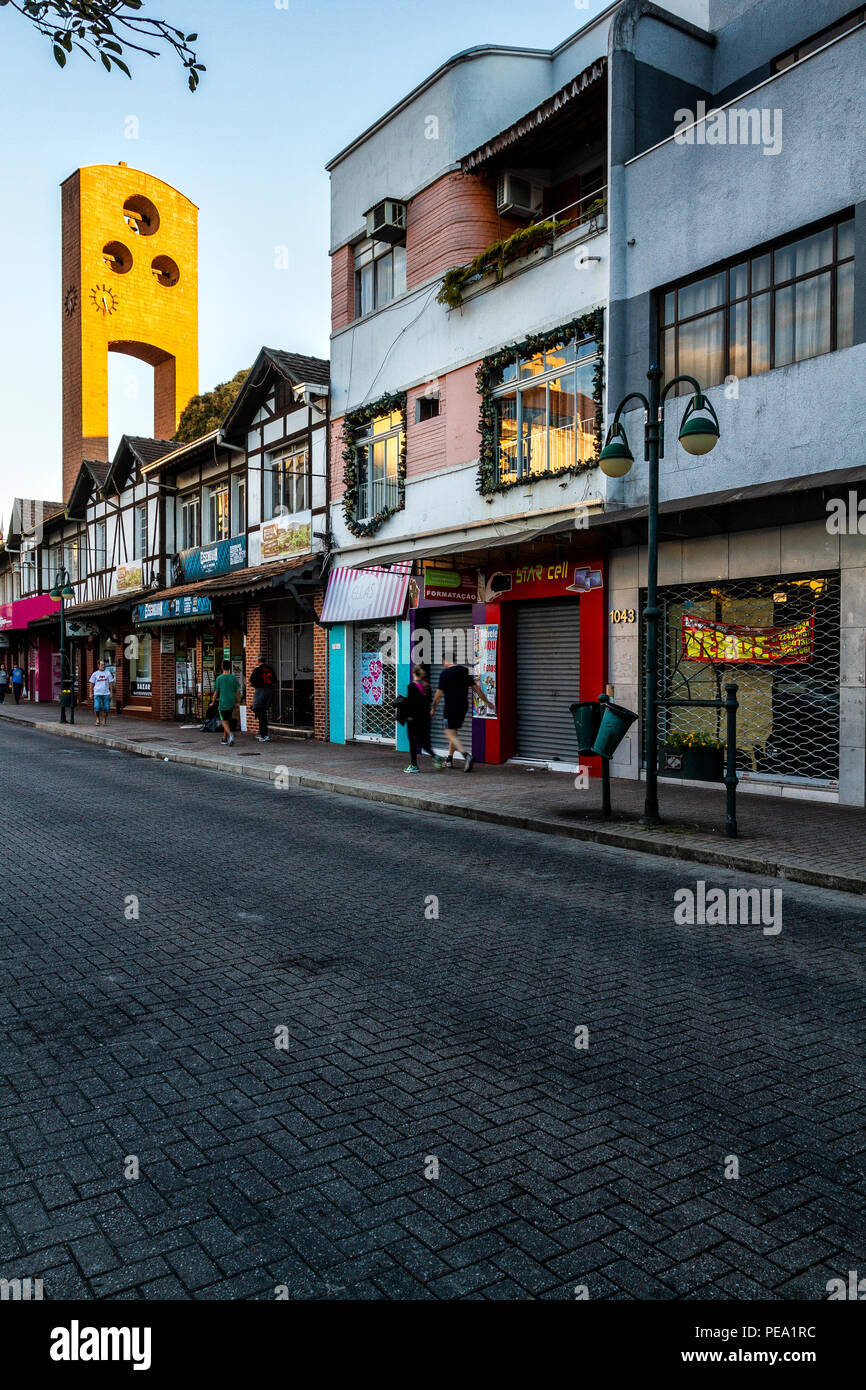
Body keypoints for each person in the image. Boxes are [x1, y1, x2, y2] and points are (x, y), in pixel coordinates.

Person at [431, 647, 490, 773]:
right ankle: (450, 759)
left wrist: (433, 709)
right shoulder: (464, 671)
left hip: (450, 708)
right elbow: (477, 689)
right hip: (463, 707)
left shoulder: (445, 673)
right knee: (454, 733)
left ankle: (466, 755)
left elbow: (438, 695)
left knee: (449, 734)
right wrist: (487, 702)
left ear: (445, 661)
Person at [404, 664, 442, 774]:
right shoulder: (427, 687)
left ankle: (414, 766)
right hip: (425, 718)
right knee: (424, 742)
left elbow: (410, 703)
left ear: (414, 673)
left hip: (413, 719)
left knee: (413, 743)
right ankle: (435, 756)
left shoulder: (411, 686)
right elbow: (429, 702)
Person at [248, 652, 277, 743]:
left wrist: (256, 685)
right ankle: (263, 733)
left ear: (258, 661)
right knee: (262, 713)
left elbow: (251, 681)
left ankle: (264, 735)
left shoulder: (257, 670)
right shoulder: (270, 669)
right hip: (269, 692)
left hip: (260, 692)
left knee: (261, 715)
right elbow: (275, 681)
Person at [213, 660, 240, 747]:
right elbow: (238, 691)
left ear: (222, 667)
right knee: (227, 719)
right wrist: (237, 702)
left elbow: (216, 692)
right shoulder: (233, 678)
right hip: (232, 701)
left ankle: (230, 734)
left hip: (223, 701)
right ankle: (224, 738)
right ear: (230, 667)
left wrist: (212, 701)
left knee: (223, 721)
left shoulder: (219, 678)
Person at [88, 658, 115, 727]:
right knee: (96, 707)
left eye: (104, 665)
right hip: (97, 693)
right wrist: (90, 693)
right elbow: (91, 684)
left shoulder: (108, 673)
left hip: (106, 693)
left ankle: (104, 720)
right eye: (102, 665)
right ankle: (97, 719)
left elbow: (111, 683)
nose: (103, 666)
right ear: (98, 665)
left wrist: (111, 692)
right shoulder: (95, 674)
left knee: (106, 708)